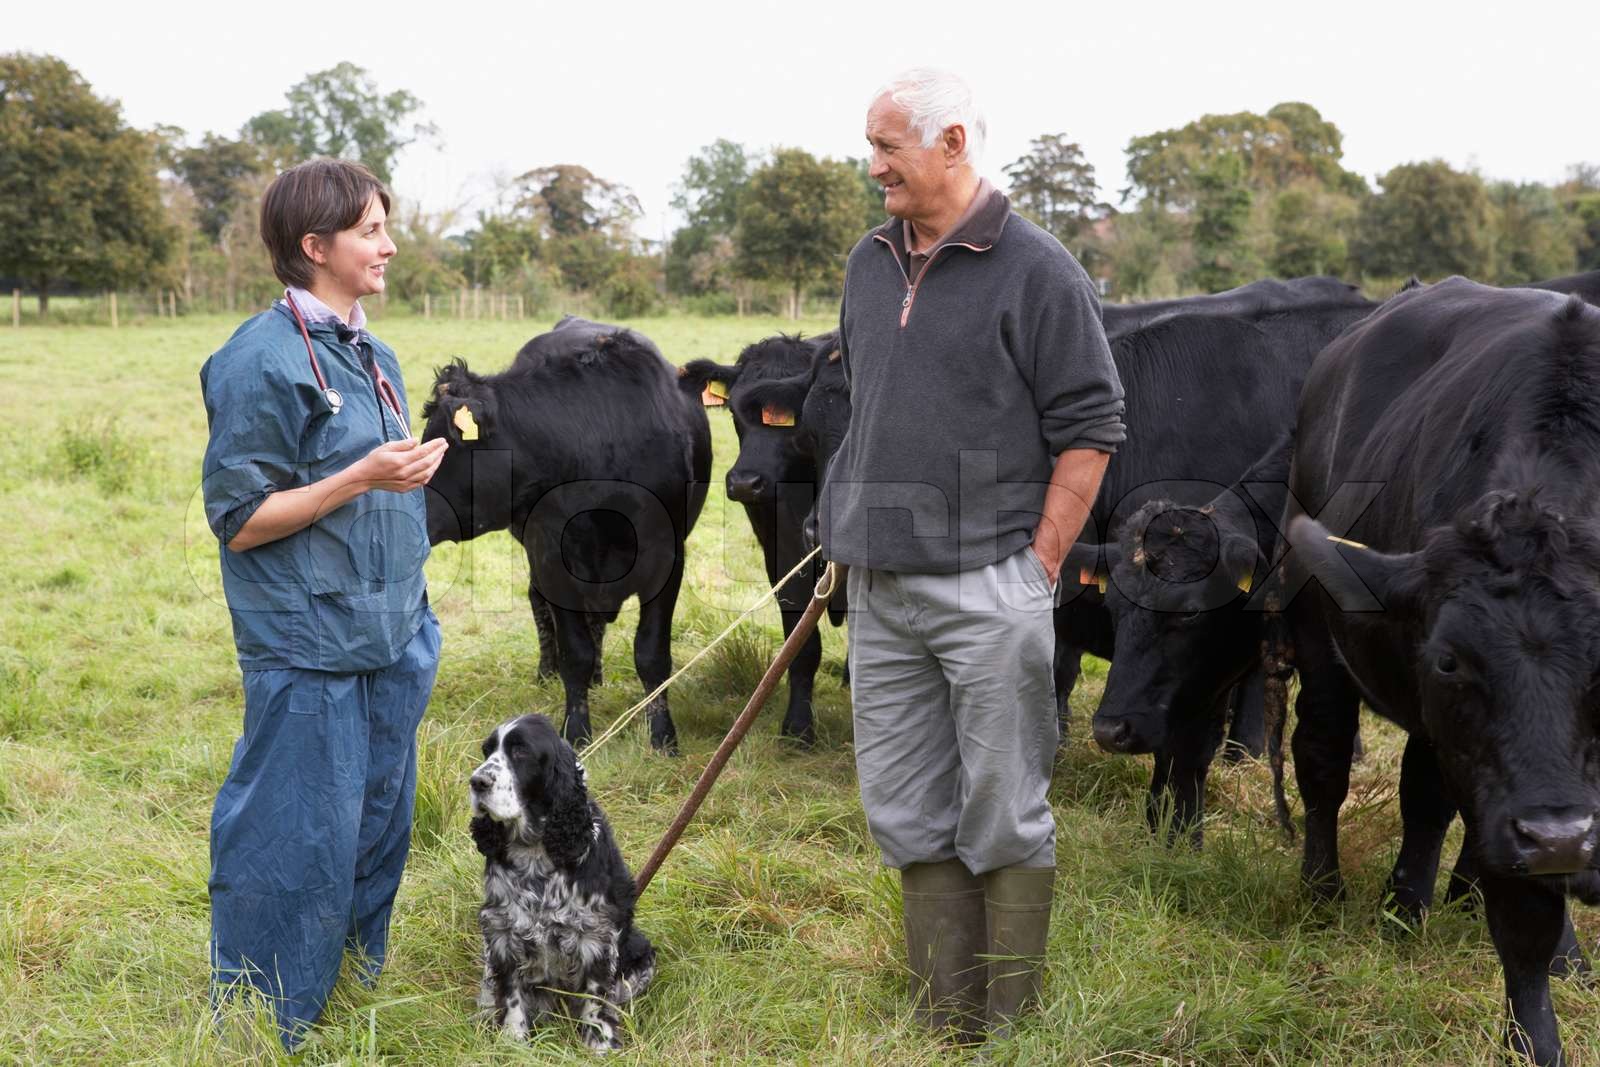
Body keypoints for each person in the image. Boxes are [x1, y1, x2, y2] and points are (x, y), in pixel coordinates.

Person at [818, 70, 1125, 1042]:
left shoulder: (1038, 269)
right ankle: (945, 1020)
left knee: (1002, 810)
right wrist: (846, 526)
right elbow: (867, 405)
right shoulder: (868, 263)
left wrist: (1037, 564)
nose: (873, 168)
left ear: (951, 141)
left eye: (886, 148)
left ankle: (1010, 1024)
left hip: (990, 582)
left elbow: (1091, 423)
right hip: (879, 585)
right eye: (869, 147)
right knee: (905, 809)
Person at [198, 157, 449, 1049]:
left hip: (388, 635)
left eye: (385, 225)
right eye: (370, 230)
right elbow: (241, 520)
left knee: (377, 827)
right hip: (307, 647)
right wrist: (358, 477)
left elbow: (375, 489)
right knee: (294, 837)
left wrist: (406, 477)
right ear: (316, 247)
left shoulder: (373, 351)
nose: (388, 244)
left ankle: (346, 987)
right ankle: (268, 1016)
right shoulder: (257, 360)